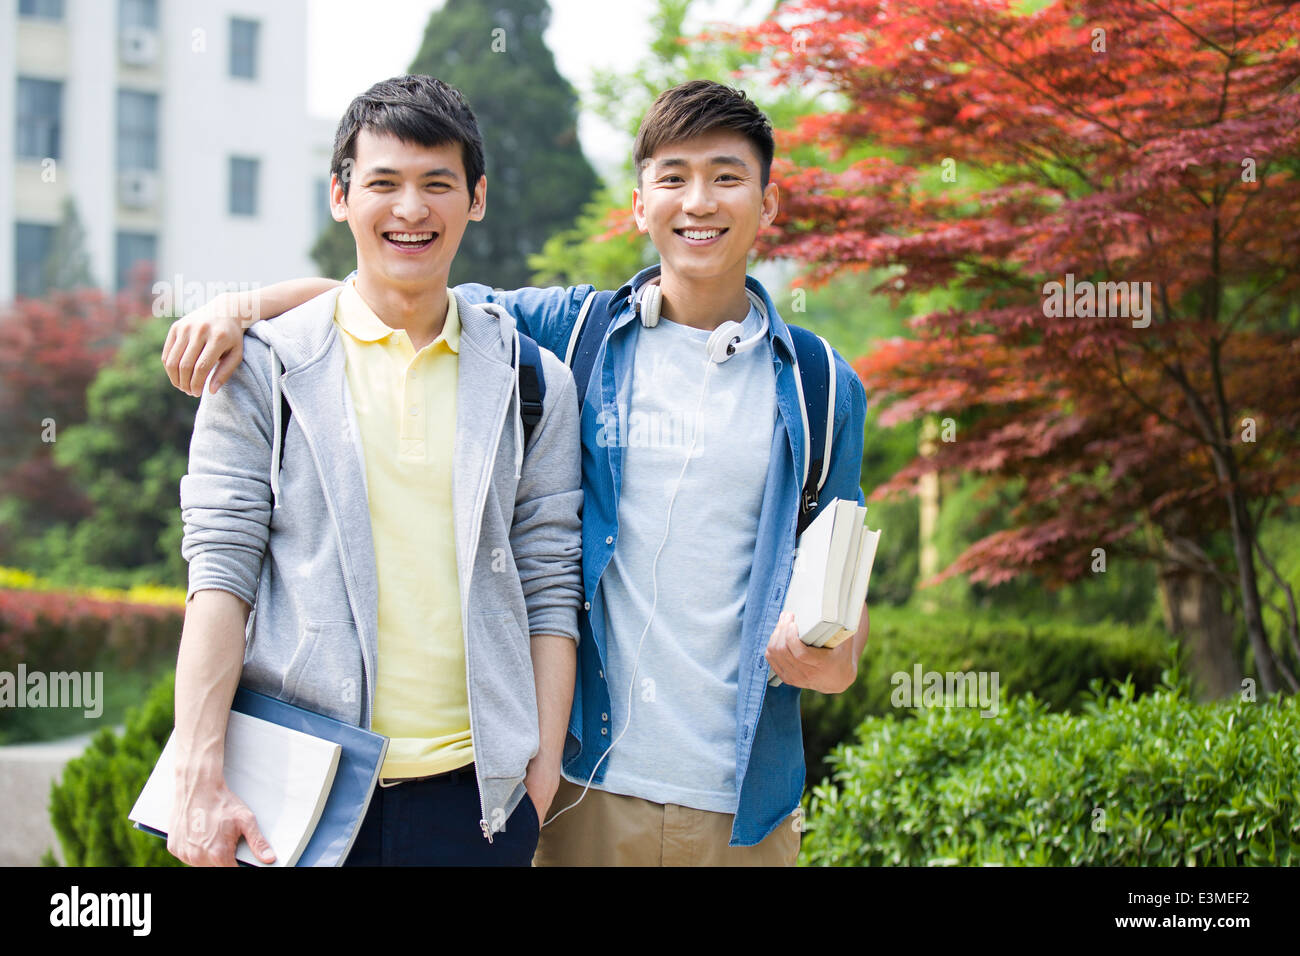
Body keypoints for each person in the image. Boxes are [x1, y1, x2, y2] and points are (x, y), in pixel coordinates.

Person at [164, 80, 869, 866]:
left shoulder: (820, 387)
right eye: (672, 178)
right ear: (639, 205)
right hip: (584, 789)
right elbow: (394, 290)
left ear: (768, 204)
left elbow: (839, 586)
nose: (698, 201)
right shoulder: (573, 339)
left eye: (727, 177)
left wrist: (834, 659)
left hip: (745, 804)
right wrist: (243, 308)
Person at [167, 74, 583, 867]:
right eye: (383, 183)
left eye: (438, 184)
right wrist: (198, 767)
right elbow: (219, 575)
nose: (411, 210)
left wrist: (538, 777)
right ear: (340, 195)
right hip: (292, 796)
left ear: (478, 198)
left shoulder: (534, 384)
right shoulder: (258, 371)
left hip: (477, 807)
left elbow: (550, 585)